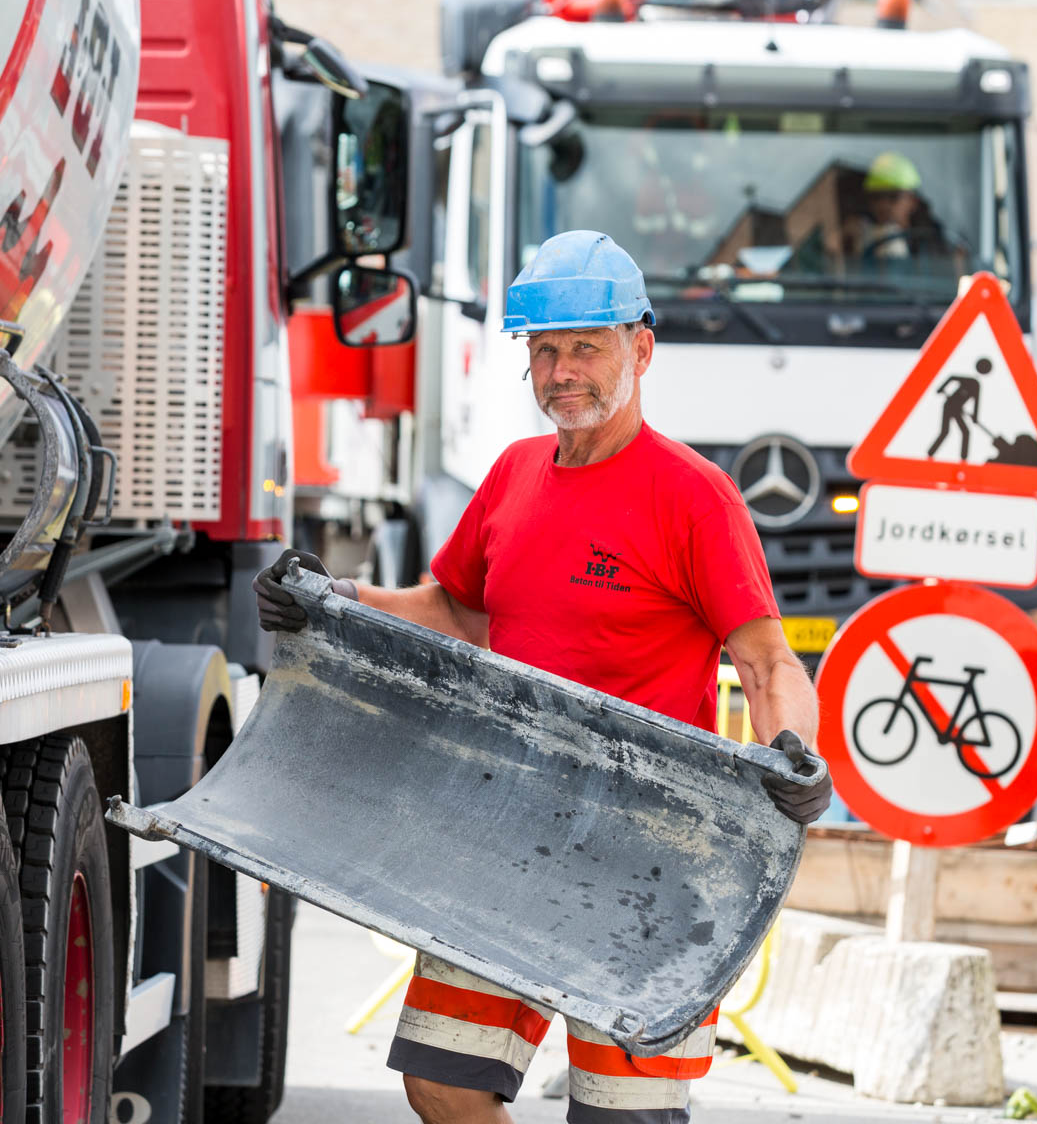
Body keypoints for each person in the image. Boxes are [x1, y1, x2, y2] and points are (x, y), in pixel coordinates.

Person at [256, 230, 831, 1124]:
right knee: (443, 1081)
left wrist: (795, 753)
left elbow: (763, 659)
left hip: (649, 852)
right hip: (503, 826)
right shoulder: (515, 474)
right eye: (545, 351)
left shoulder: (693, 495)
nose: (562, 371)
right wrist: (332, 597)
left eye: (586, 348)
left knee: (622, 1115)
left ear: (640, 348)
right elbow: (455, 609)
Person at [848, 150, 962, 271]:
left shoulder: (938, 243)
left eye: (893, 196)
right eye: (876, 197)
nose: (883, 205)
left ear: (913, 201)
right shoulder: (858, 235)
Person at [928, 357, 993, 460]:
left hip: (957, 410)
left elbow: (977, 403)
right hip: (949, 407)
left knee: (965, 432)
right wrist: (941, 388)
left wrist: (975, 417)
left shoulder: (976, 385)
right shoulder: (971, 381)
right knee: (945, 432)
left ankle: (963, 460)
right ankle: (930, 454)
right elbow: (952, 377)